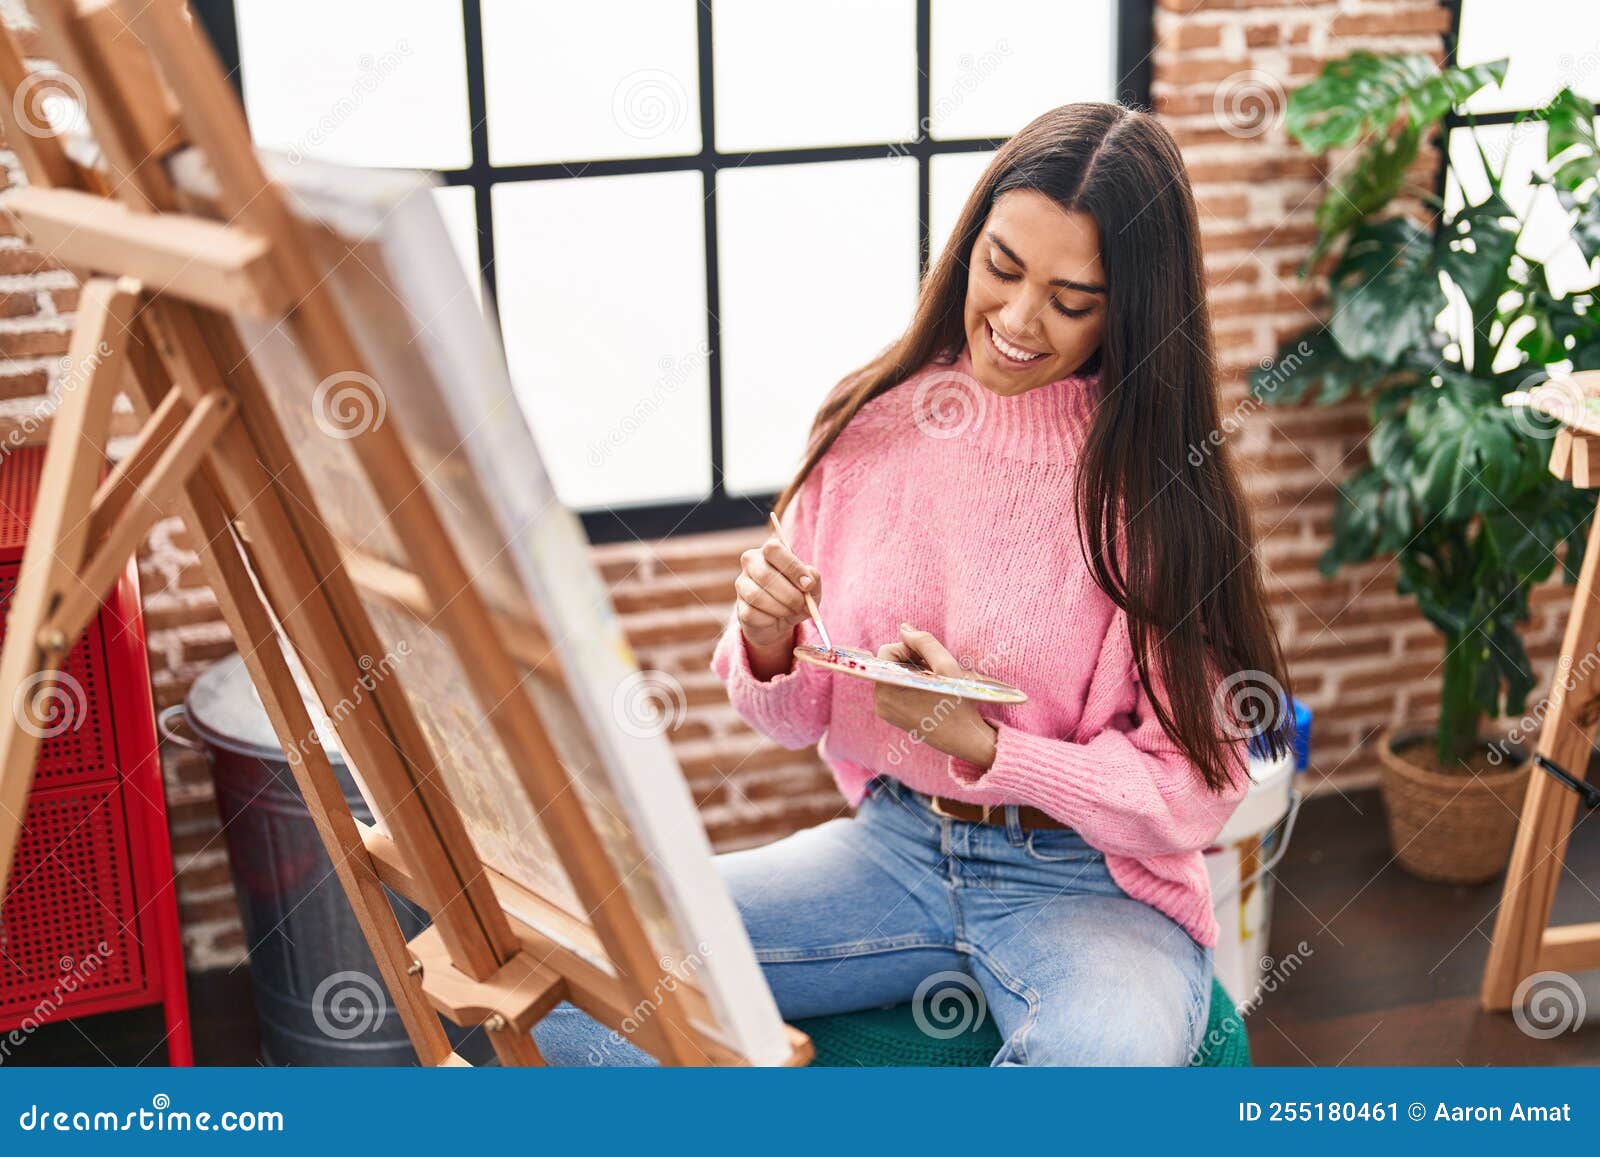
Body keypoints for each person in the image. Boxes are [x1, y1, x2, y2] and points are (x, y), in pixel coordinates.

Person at [533, 100, 1294, 1067]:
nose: (1018, 320)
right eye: (1002, 268)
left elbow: (1193, 790)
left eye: (1070, 300)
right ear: (968, 242)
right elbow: (791, 714)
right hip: (895, 844)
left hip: (1091, 884)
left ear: (1132, 309)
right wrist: (768, 643)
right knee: (573, 965)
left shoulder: (1162, 490)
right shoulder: (873, 422)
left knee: (1104, 1060)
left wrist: (989, 747)